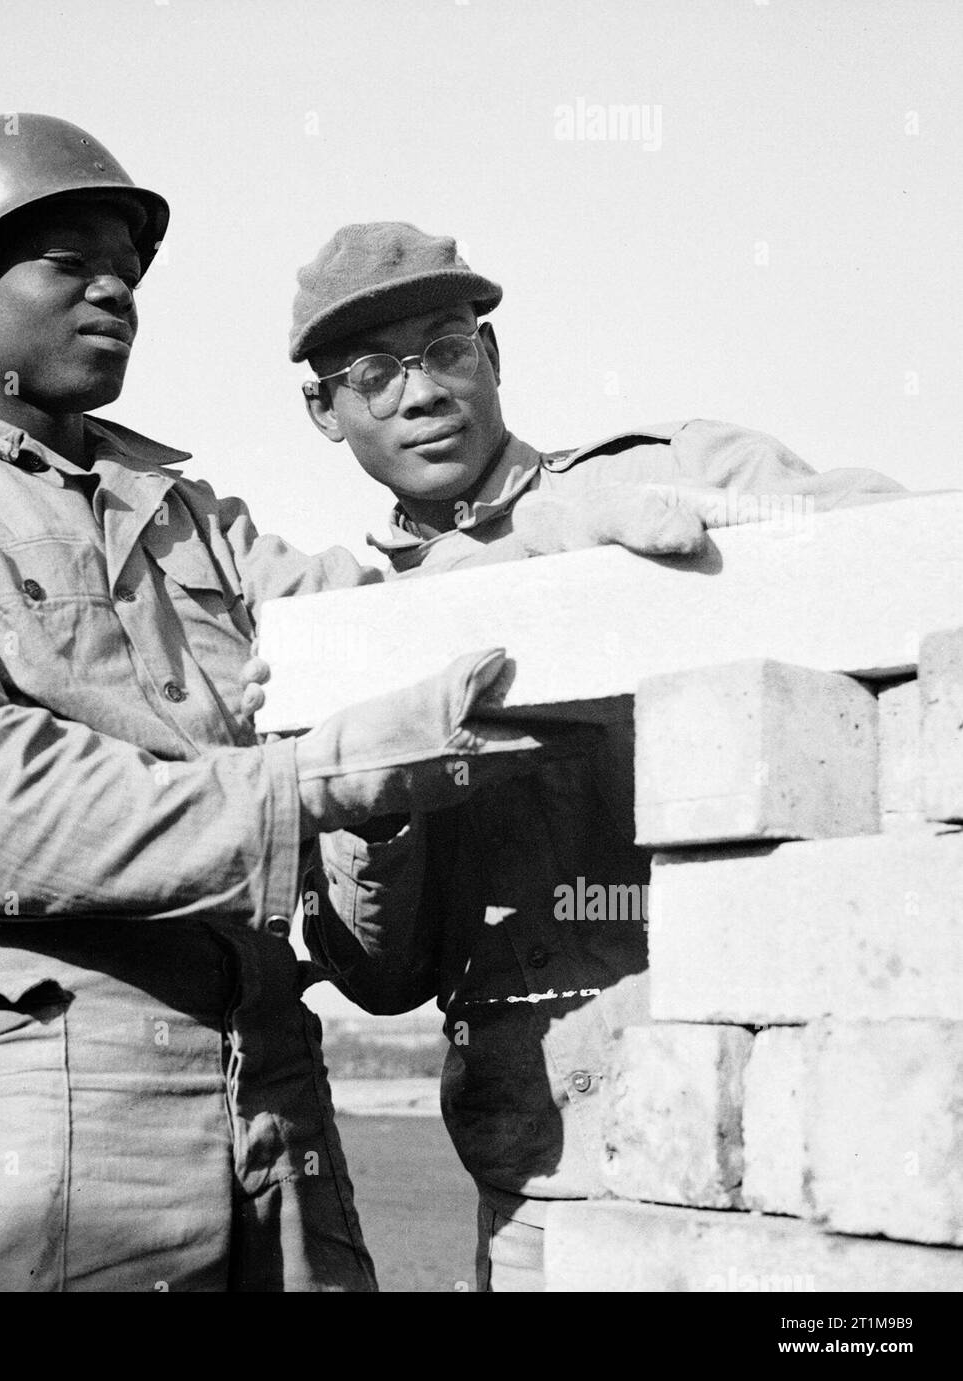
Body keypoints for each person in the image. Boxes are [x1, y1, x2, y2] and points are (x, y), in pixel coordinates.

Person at [0, 121, 572, 1292]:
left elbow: (393, 623)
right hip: (51, 1100)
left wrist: (583, 519)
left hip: (276, 1099)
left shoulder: (202, 521)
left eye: (128, 269)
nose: (117, 290)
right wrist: (304, 783)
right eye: (67, 260)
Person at [288, 221, 905, 1291]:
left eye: (444, 350)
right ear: (324, 411)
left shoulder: (667, 471)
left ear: (492, 355)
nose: (421, 393)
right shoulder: (350, 631)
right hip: (544, 1176)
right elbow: (383, 980)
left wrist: (668, 558)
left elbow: (890, 546)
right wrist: (374, 797)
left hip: (774, 1139)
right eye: (374, 375)